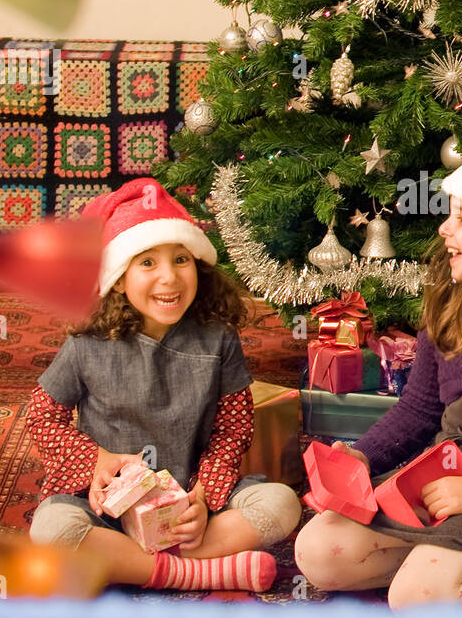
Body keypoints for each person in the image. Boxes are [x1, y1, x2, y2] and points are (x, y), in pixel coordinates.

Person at [295, 134, 462, 608]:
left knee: (415, 599)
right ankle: (444, 569)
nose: (443, 230)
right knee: (316, 553)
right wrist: (364, 457)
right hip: (443, 486)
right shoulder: (450, 308)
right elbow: (419, 411)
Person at [26, 178, 301, 592]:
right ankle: (190, 572)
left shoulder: (218, 339)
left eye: (181, 259)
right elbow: (42, 417)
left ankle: (139, 565)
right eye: (148, 263)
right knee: (51, 530)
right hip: (107, 511)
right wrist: (98, 459)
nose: (169, 278)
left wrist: (203, 498)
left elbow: (234, 428)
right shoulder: (86, 344)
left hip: (192, 501)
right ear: (118, 278)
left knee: (281, 504)